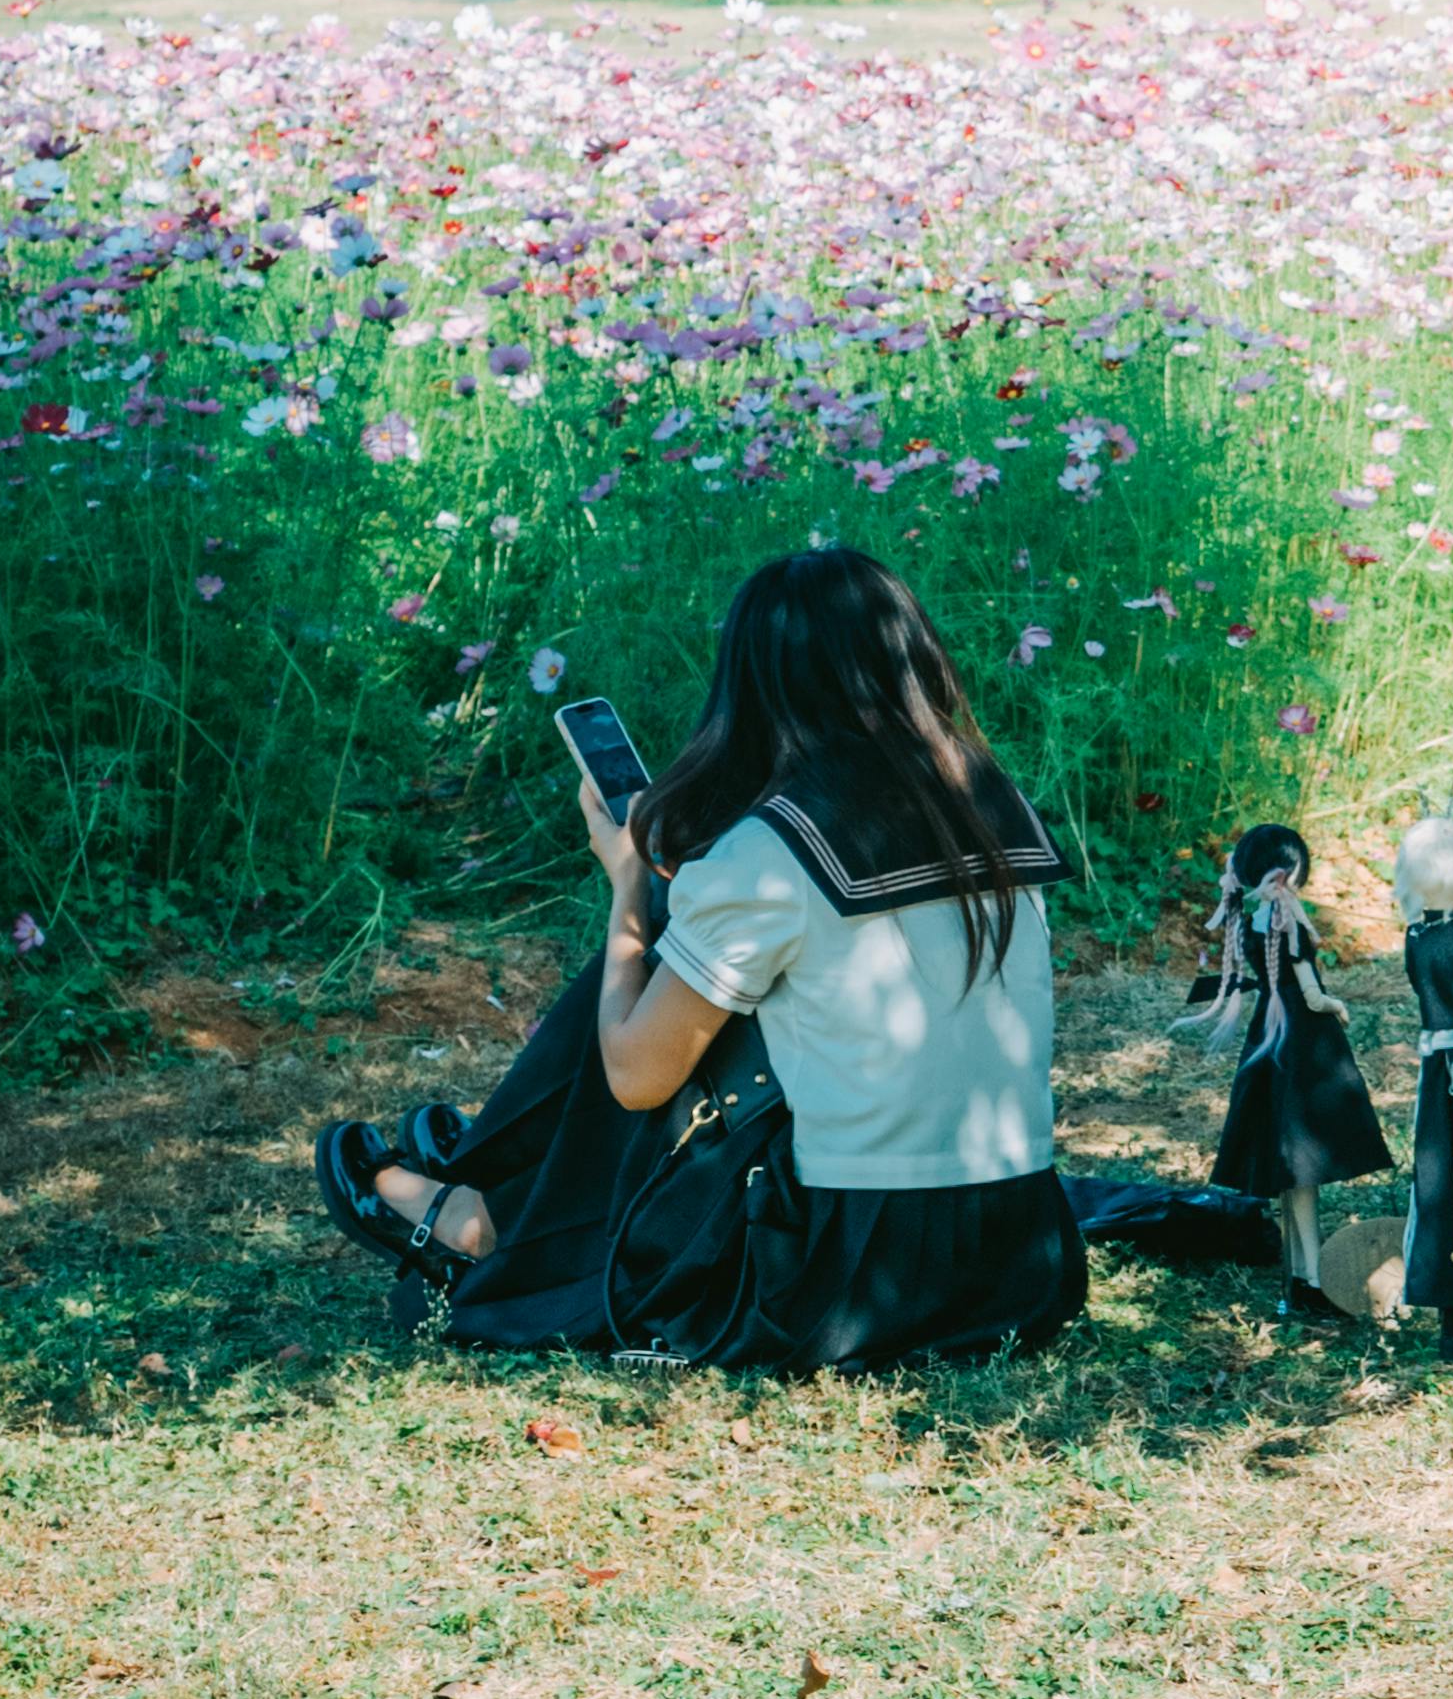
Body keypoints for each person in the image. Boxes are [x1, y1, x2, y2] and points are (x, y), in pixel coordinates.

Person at [310, 548, 1085, 1374]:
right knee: (700, 962)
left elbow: (638, 1078)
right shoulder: (990, 803)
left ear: (753, 687)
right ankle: (501, 1177)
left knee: (648, 978)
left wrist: (629, 890)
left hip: (841, 1282)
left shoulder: (775, 850)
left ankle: (490, 1214)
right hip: (1016, 1259)